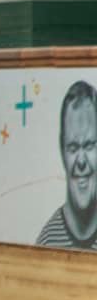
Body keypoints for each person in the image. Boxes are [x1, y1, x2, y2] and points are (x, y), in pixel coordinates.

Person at [36, 80, 97, 249]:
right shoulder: (47, 242)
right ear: (62, 150)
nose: (81, 161)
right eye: (73, 147)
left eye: (89, 145)